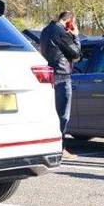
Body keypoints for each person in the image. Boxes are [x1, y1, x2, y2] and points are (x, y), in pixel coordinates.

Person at [39, 11, 82, 156]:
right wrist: (75, 35)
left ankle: (49, 146)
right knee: (63, 115)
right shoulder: (61, 32)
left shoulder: (45, 31)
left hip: (47, 76)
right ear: (69, 21)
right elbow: (76, 53)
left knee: (51, 113)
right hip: (62, 76)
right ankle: (60, 147)